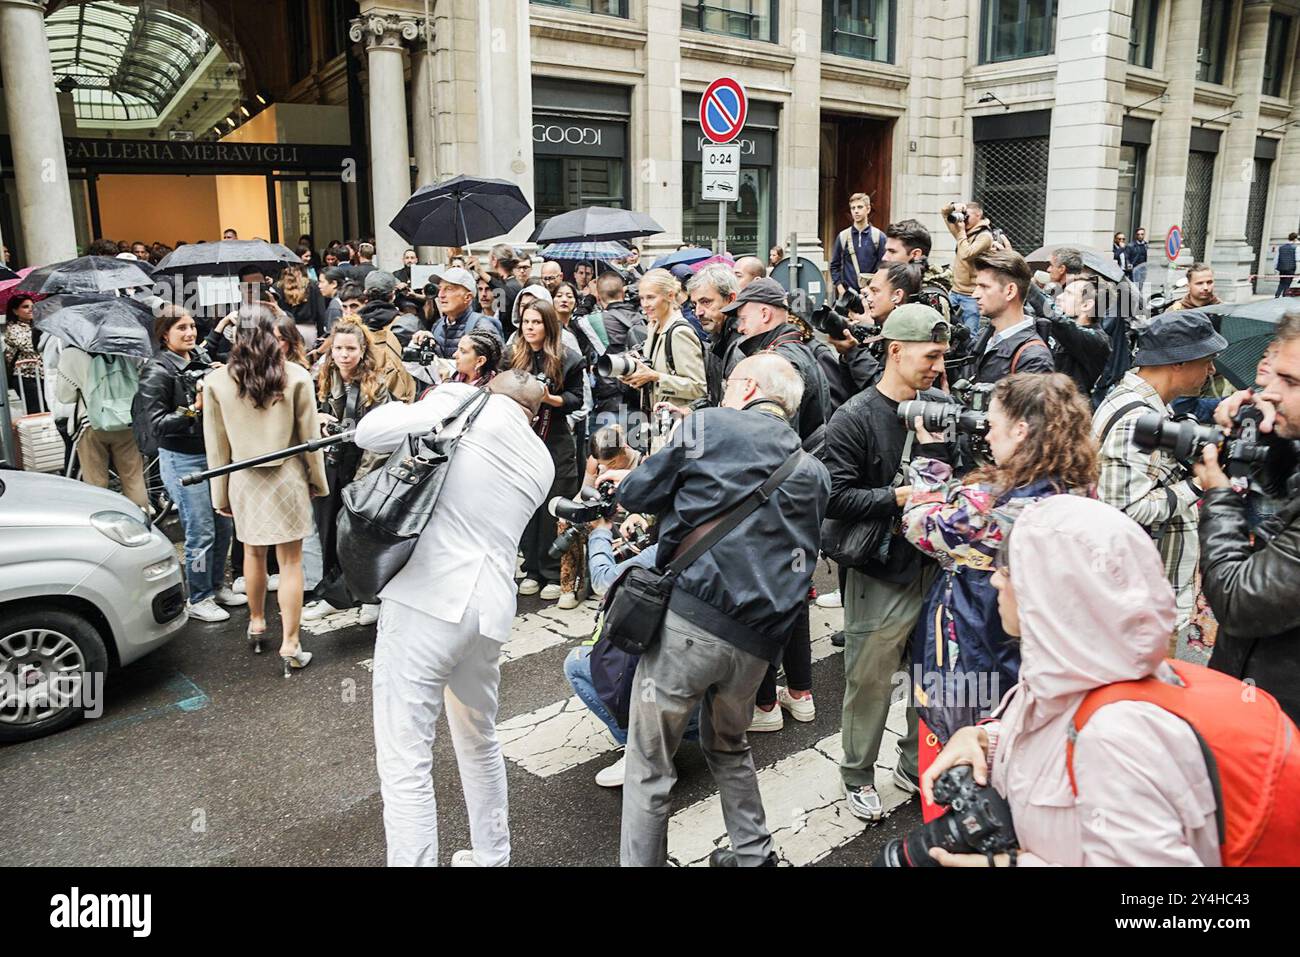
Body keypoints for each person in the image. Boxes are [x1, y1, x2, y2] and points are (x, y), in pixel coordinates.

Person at [609, 352, 830, 866]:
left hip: (690, 620)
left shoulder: (712, 424)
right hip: (757, 644)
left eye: (731, 383)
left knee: (649, 764)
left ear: (748, 387)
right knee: (729, 746)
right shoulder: (813, 471)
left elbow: (639, 492)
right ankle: (754, 855)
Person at [923, 495, 1222, 867]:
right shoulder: (1076, 671)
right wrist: (987, 739)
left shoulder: (1117, 740)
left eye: (1010, 568)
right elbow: (1058, 742)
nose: (996, 579)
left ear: (1055, 594)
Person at [355, 370, 553, 866]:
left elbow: (369, 432)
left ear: (491, 390)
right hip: (488, 609)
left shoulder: (463, 404)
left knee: (406, 757)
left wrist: (450, 395)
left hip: (428, 599)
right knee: (480, 739)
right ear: (535, 415)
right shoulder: (541, 459)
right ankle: (492, 856)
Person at [900, 373, 1099, 744]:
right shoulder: (1078, 484)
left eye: (992, 426)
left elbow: (920, 527)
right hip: (1045, 649)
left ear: (1021, 430)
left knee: (971, 744)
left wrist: (931, 458)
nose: (986, 435)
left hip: (980, 645)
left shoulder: (993, 505)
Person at [821, 303, 954, 821]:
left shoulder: (942, 403)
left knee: (932, 674)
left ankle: (912, 760)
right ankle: (857, 773)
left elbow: (955, 473)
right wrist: (903, 496)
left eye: (943, 356)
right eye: (931, 355)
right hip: (880, 571)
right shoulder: (854, 416)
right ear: (894, 352)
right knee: (870, 679)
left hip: (936, 566)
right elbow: (834, 498)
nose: (939, 366)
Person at [202, 304, 329, 674]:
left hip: (243, 477)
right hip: (287, 476)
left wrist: (219, 493)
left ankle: (257, 622)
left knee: (252, 554)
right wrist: (317, 481)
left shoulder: (217, 382)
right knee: (291, 561)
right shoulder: (296, 376)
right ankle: (291, 643)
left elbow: (217, 445)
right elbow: (310, 440)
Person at [1093, 311, 1227, 641]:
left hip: (1145, 601)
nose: (1211, 370)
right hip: (1139, 609)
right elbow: (1124, 509)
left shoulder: (1147, 407)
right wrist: (1198, 484)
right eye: (1206, 360)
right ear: (1178, 362)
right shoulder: (1136, 418)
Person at [1199, 315, 1300, 723]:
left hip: (1282, 736)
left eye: (1291, 382)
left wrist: (1219, 497)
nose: (1269, 393)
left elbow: (1239, 600)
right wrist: (1266, 435)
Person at [137, 305, 242, 622]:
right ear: (164, 334)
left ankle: (216, 586)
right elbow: (156, 425)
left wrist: (219, 335)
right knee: (200, 533)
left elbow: (207, 349)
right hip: (182, 459)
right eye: (181, 328)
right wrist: (193, 408)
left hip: (213, 455)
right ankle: (198, 597)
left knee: (223, 525)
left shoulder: (193, 357)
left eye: (192, 326)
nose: (190, 332)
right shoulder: (156, 371)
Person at [303, 319, 392, 624]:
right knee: (328, 530)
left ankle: (370, 596)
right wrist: (319, 417)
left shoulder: (376, 384)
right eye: (339, 348)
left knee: (360, 535)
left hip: (365, 465)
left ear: (362, 349)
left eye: (350, 348)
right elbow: (310, 416)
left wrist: (362, 480)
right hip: (330, 461)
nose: (344, 354)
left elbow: (382, 437)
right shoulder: (325, 377)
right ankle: (333, 593)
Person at [512, 301, 584, 602]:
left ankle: (555, 572)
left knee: (554, 505)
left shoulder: (569, 358)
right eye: (526, 322)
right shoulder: (513, 356)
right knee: (527, 505)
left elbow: (576, 399)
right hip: (523, 439)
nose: (529, 327)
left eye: (536, 322)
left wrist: (550, 399)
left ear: (549, 326)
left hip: (554, 437)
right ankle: (532, 568)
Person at [721, 276, 830, 447]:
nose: (740, 328)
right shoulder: (794, 349)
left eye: (743, 319)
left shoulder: (778, 362)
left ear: (764, 314)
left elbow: (775, 439)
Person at [53, 343, 149, 510]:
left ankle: (104, 527)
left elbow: (65, 397)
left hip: (91, 424)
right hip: (126, 420)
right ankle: (142, 523)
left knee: (96, 483)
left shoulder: (71, 354)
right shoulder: (126, 346)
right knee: (134, 479)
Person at [620, 268, 706, 450]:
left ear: (670, 295)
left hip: (680, 431)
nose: (644, 304)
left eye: (650, 297)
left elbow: (699, 388)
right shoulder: (654, 327)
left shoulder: (679, 332)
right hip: (658, 427)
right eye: (641, 298)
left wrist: (655, 377)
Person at [969, 247, 1054, 385]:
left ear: (1010, 291)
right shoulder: (983, 338)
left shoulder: (1034, 359)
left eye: (984, 287)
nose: (975, 294)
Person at [412, 265, 502, 359]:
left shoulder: (482, 327)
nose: (441, 295)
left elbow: (499, 367)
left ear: (467, 297)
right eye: (440, 289)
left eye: (449, 289)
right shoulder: (438, 325)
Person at [686, 262, 740, 403]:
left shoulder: (742, 345)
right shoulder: (718, 338)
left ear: (731, 299)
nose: (698, 312)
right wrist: (689, 410)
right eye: (695, 304)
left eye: (706, 302)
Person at [1050, 276, 1112, 396]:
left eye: (1068, 294)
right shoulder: (1057, 330)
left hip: (1071, 411)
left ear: (1086, 305)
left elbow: (1060, 322)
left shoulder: (1098, 340)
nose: (1059, 297)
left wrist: (1025, 283)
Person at [941, 200, 995, 334]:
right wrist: (954, 207)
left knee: (969, 334)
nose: (964, 219)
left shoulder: (985, 236)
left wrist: (960, 233)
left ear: (978, 215)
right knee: (944, 328)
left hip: (971, 294)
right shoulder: (965, 232)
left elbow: (966, 254)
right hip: (955, 291)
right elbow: (944, 212)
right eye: (963, 215)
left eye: (967, 215)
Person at [830, 192, 886, 296]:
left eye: (860, 207)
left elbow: (884, 266)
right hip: (848, 294)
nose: (856, 211)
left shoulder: (879, 236)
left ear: (868, 209)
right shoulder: (843, 236)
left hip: (871, 294)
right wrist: (840, 287)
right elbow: (834, 265)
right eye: (853, 208)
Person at [3, 294, 44, 414]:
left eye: (32, 306)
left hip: (42, 376)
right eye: (25, 307)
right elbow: (30, 347)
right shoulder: (13, 329)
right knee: (36, 411)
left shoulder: (38, 325)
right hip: (26, 378)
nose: (31, 309)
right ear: (15, 311)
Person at [277, 262, 328, 351]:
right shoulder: (313, 285)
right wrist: (321, 335)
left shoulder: (277, 286)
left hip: (285, 330)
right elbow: (321, 313)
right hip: (308, 330)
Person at [488, 243, 522, 334]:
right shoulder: (512, 284)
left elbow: (502, 319)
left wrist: (480, 272)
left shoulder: (510, 287)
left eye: (489, 260)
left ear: (494, 260)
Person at [1276, 233, 1298, 298]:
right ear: (1295, 239)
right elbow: (1297, 258)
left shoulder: (1281, 247)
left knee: (1281, 282)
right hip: (1291, 268)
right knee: (1287, 283)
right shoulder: (1296, 247)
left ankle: (1277, 294)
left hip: (1282, 268)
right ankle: (1284, 295)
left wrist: (1276, 268)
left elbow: (1276, 258)